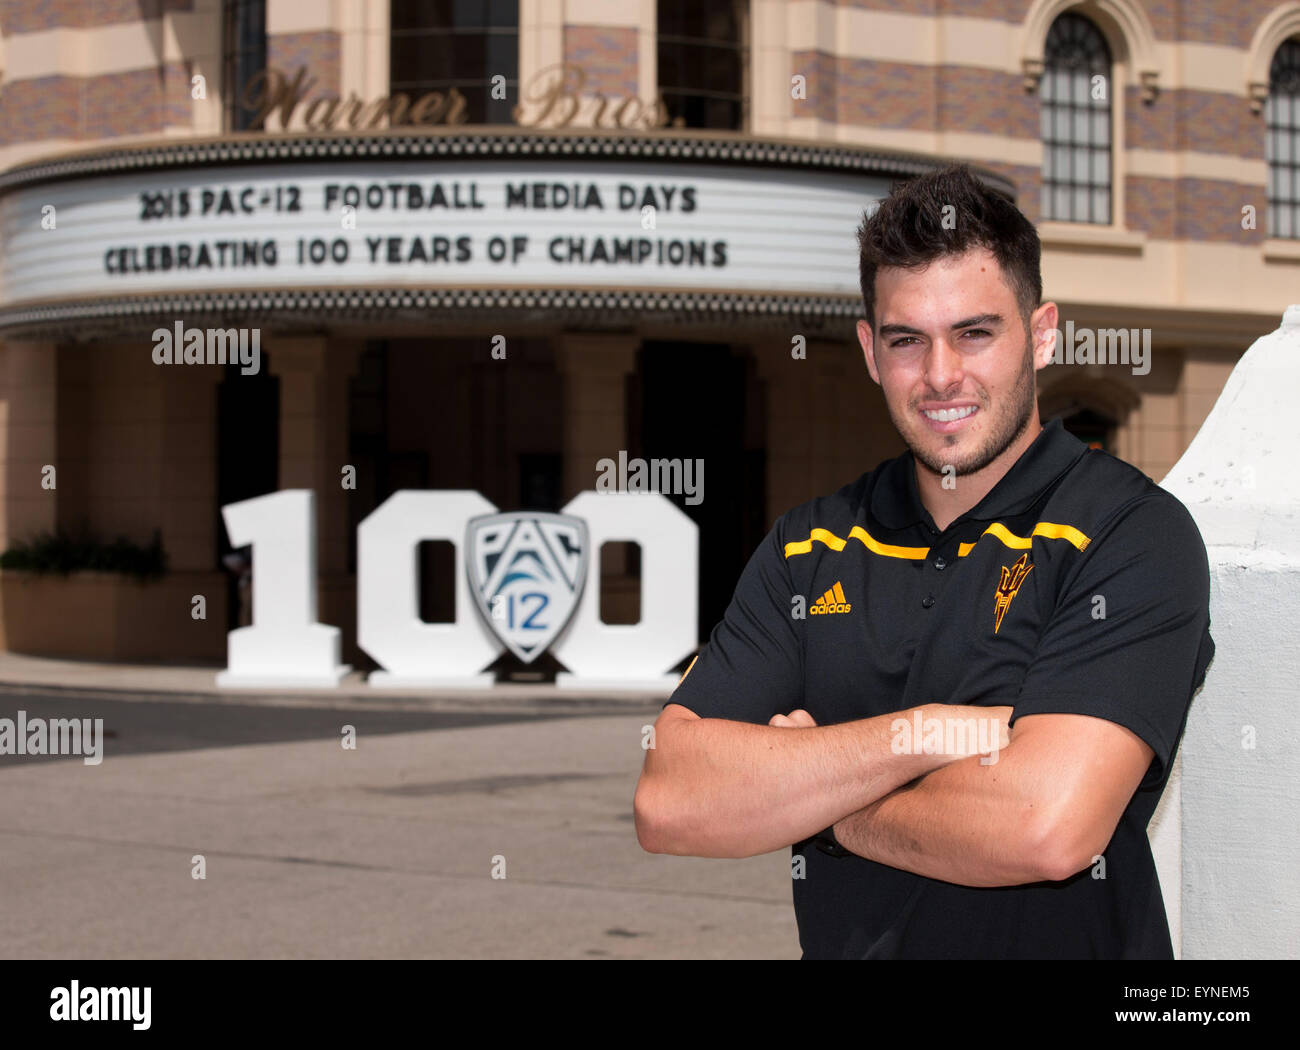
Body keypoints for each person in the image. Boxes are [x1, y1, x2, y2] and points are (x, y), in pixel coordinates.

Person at [633, 163, 1215, 959]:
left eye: (975, 333)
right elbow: (671, 800)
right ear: (872, 351)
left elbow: (1044, 827)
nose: (941, 376)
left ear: (1042, 332)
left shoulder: (1130, 534)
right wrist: (927, 734)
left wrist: (817, 793)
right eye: (909, 341)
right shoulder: (810, 548)